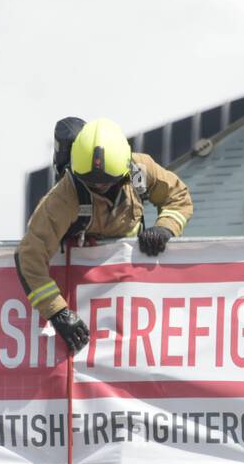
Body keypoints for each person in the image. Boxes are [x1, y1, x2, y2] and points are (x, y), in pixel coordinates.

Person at [15, 116, 193, 353]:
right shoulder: (63, 197)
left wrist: (165, 227)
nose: (99, 187)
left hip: (133, 293)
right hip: (79, 292)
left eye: (107, 183)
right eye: (91, 183)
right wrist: (58, 312)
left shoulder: (140, 168)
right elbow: (30, 254)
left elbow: (178, 196)